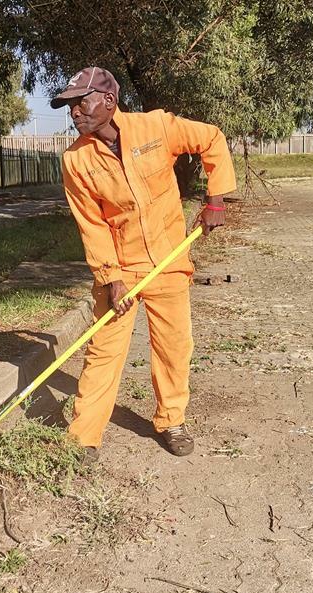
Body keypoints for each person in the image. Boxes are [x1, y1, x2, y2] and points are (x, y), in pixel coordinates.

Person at [51, 66, 235, 462]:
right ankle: (84, 436)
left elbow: (212, 139)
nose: (75, 114)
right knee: (104, 350)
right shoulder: (75, 161)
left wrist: (216, 199)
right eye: (71, 107)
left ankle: (171, 421)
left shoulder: (156, 127)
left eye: (81, 103)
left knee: (173, 346)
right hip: (122, 267)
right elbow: (92, 224)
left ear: (109, 101)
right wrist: (111, 277)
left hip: (169, 258)